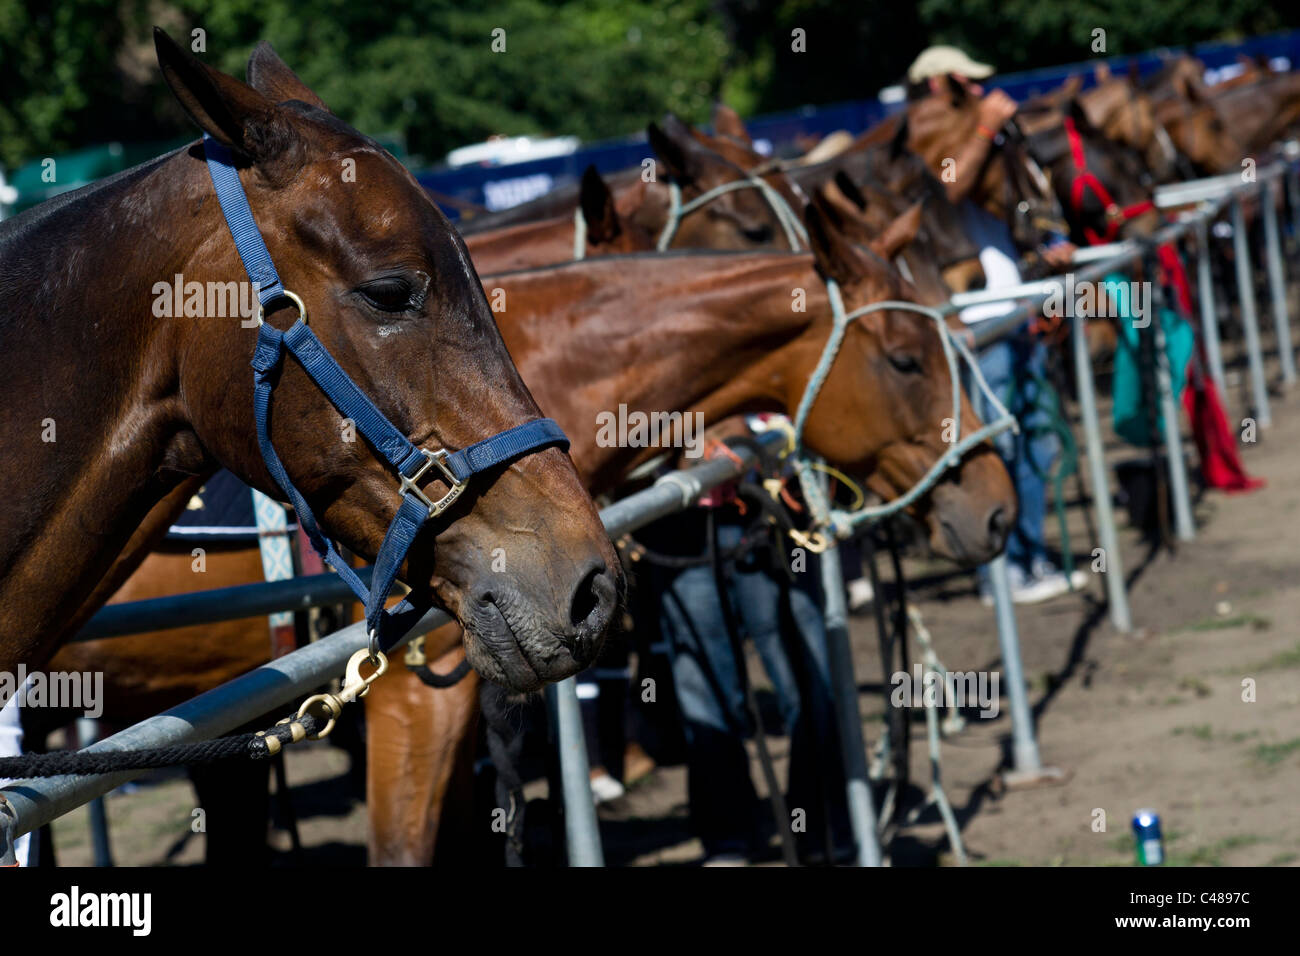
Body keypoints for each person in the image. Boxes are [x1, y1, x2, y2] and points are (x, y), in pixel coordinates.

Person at [906, 46, 1087, 604]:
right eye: (969, 82)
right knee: (996, 451)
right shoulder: (930, 136)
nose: (983, 92)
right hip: (979, 329)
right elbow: (947, 186)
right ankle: (999, 575)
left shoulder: (987, 140)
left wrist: (1047, 249)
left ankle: (1029, 561)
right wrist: (983, 131)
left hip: (1015, 315)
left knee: (1035, 441)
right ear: (940, 85)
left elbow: (1012, 208)